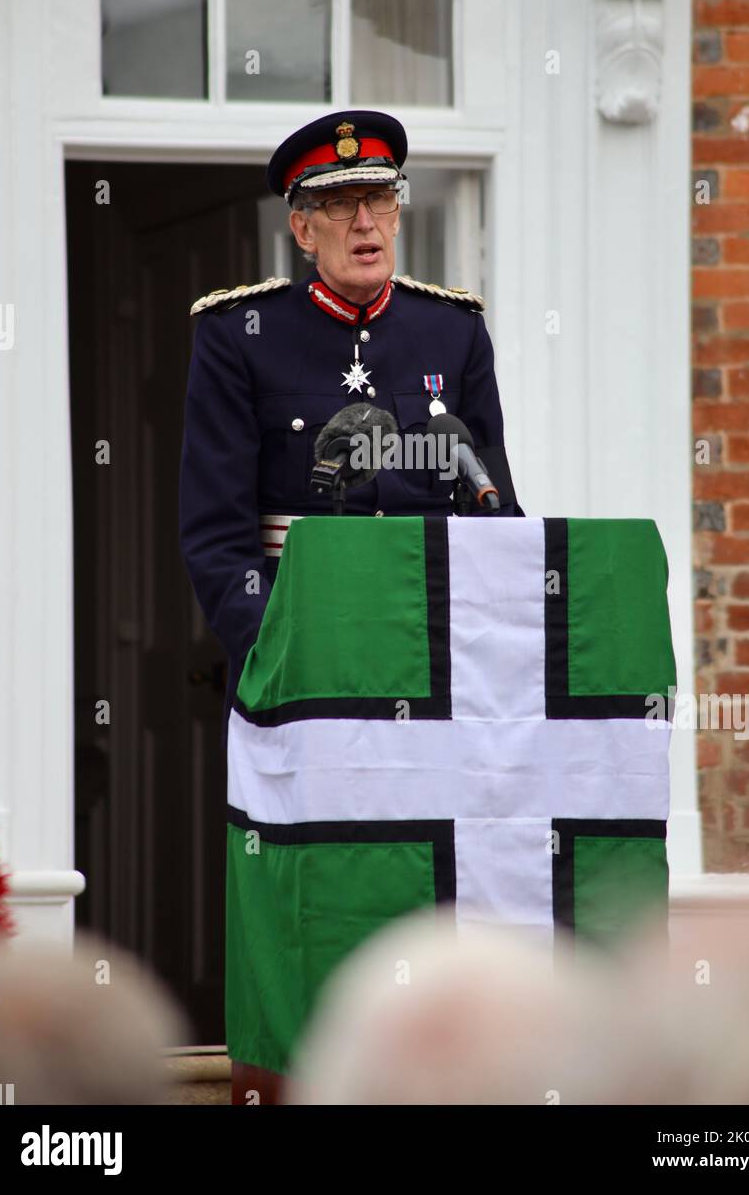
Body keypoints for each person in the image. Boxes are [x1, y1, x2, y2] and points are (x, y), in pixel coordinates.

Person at [178, 109, 523, 1104]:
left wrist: (487, 660)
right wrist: (276, 664)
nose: (365, 219)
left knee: (425, 893)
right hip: (298, 664)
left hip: (427, 669)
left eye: (378, 197)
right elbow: (214, 531)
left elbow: (491, 505)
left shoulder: (449, 329)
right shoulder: (235, 333)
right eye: (338, 204)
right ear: (301, 228)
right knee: (309, 904)